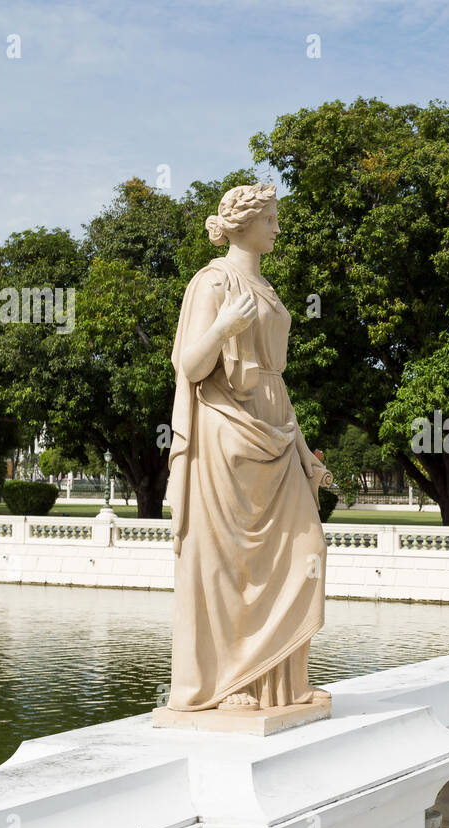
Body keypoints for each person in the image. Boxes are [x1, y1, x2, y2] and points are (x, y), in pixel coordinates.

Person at [165, 184, 329, 711]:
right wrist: (222, 327)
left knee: (308, 553)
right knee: (232, 567)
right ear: (245, 223)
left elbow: (276, 380)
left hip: (276, 431)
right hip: (227, 434)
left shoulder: (267, 287)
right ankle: (231, 685)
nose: (278, 227)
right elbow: (190, 367)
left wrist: (303, 449)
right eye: (272, 219)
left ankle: (283, 682)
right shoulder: (212, 281)